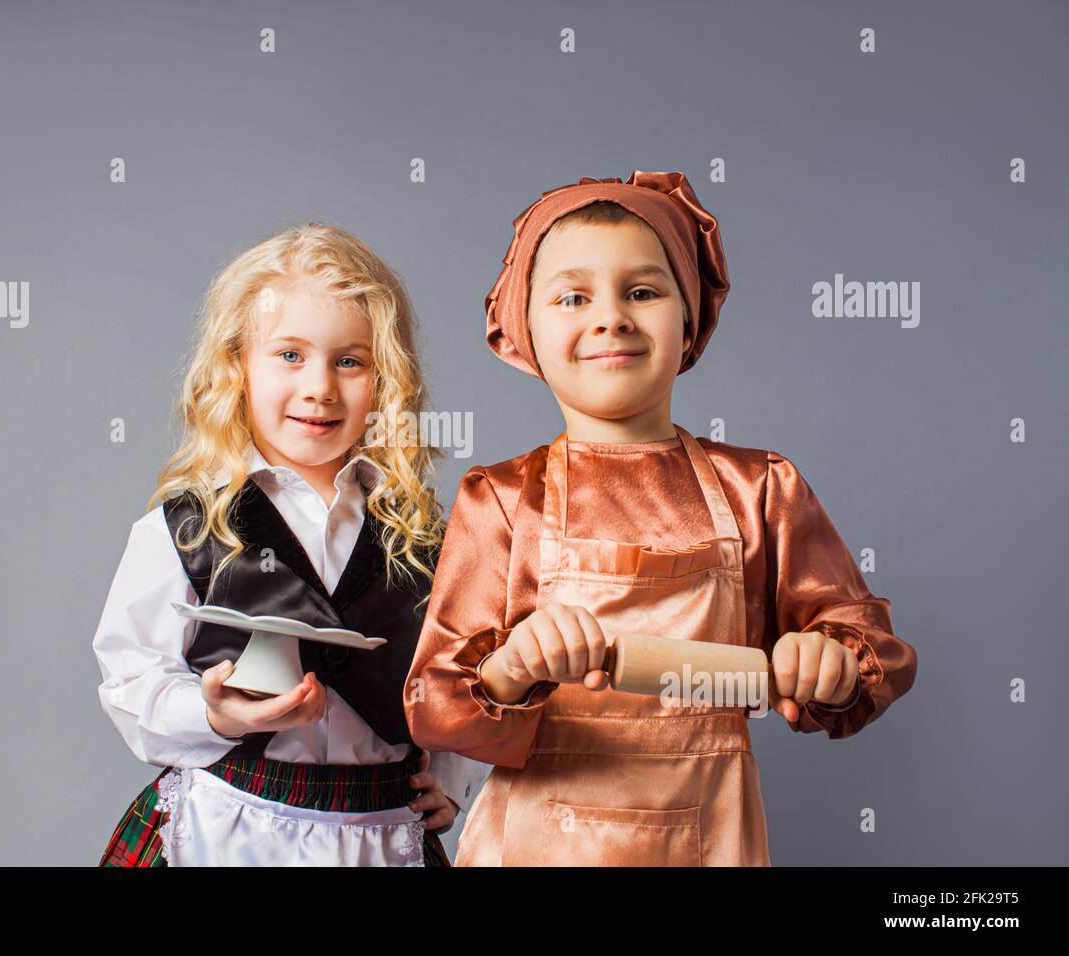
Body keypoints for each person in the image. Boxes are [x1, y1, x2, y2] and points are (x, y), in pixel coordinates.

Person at [404, 170, 919, 866]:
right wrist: (512, 667)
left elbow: (872, 648)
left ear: (689, 318)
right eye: (573, 297)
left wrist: (831, 661)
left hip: (712, 838)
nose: (611, 317)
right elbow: (434, 701)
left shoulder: (759, 489)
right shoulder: (502, 499)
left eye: (643, 292)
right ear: (526, 329)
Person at [94, 222, 486, 866]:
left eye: (350, 361)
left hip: (380, 832)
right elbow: (131, 678)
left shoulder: (424, 540)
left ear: (387, 380)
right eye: (289, 356)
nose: (320, 387)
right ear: (237, 367)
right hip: (228, 826)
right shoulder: (184, 528)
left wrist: (451, 779)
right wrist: (214, 715)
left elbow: (457, 677)